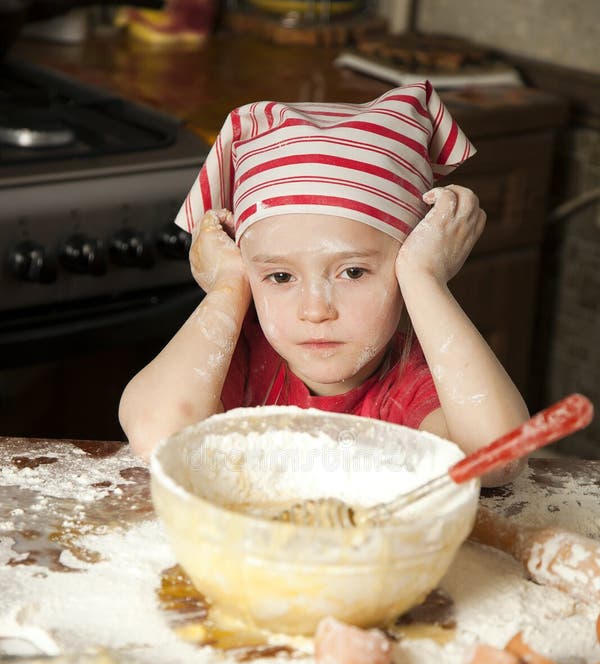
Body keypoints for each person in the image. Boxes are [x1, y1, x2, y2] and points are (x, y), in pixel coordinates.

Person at [119, 82, 529, 484]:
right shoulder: (235, 361)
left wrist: (425, 279)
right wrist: (228, 286)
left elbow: (498, 459)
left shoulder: (412, 381)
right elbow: (156, 436)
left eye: (352, 272)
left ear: (405, 264)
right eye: (279, 276)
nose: (315, 310)